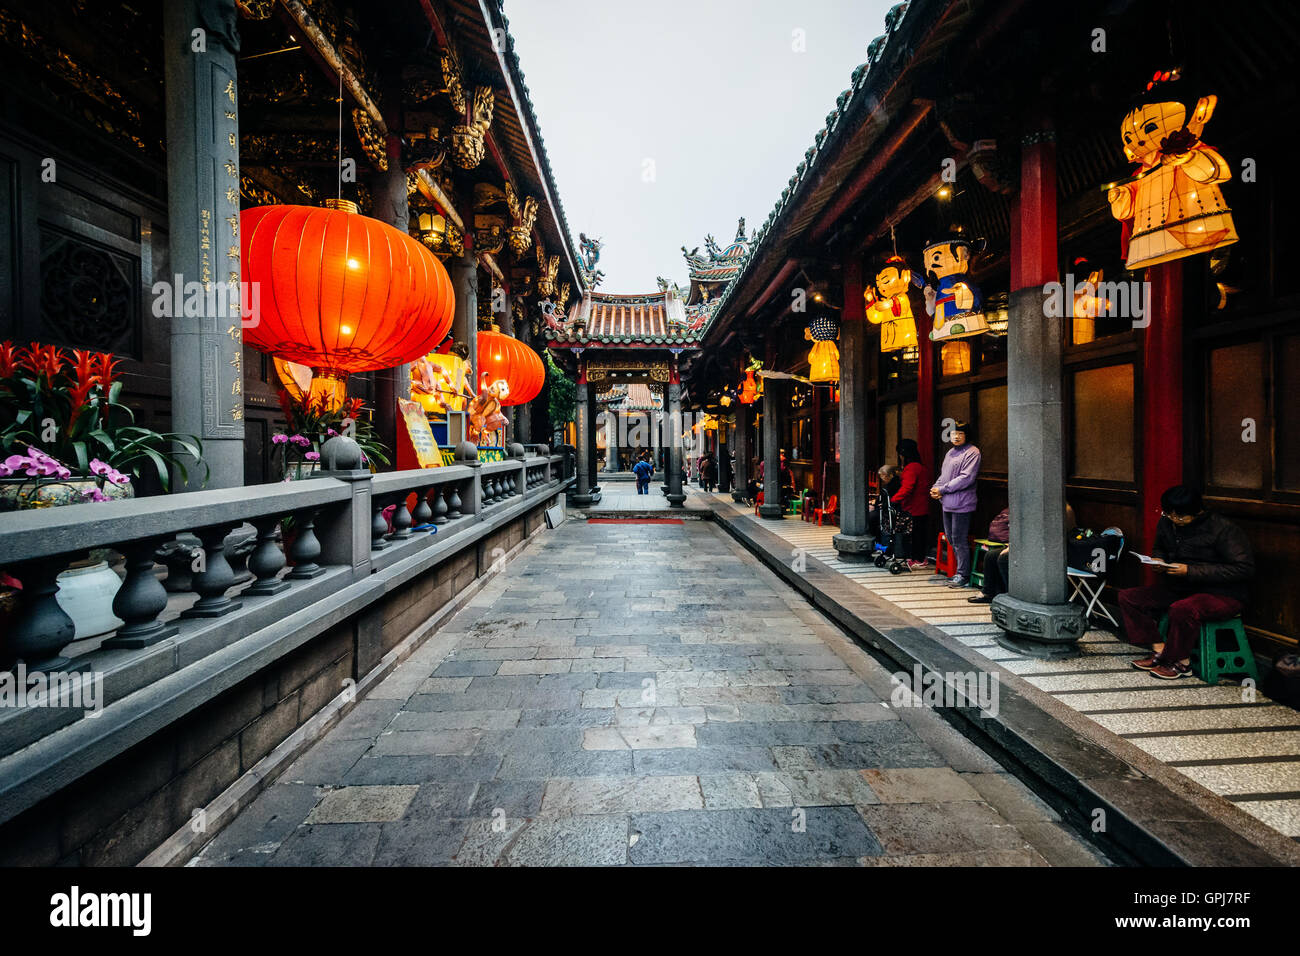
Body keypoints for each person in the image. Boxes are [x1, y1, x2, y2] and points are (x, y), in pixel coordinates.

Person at [1119, 485, 1254, 680]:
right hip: (1180, 586)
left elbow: (1244, 568)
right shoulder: (1167, 523)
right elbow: (1160, 548)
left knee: (1183, 608)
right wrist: (1158, 561)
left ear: (1198, 511)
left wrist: (1190, 570)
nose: (1175, 520)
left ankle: (1181, 663)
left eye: (1180, 517)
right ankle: (1161, 650)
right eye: (1170, 514)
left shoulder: (1222, 529)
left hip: (1223, 593)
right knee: (1129, 597)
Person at [930, 421, 981, 588]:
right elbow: (944, 475)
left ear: (967, 435)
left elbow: (966, 478)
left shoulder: (973, 452)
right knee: (951, 538)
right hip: (947, 502)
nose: (956, 436)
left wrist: (942, 489)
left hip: (962, 503)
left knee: (959, 538)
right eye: (953, 433)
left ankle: (963, 574)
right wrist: (935, 488)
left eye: (960, 433)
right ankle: (960, 572)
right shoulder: (950, 452)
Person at [893, 438, 932, 568]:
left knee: (915, 534)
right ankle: (920, 558)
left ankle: (918, 559)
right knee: (920, 533)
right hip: (922, 506)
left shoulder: (911, 468)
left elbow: (907, 488)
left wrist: (894, 500)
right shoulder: (920, 466)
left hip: (914, 507)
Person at [869, 464, 901, 539]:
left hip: (888, 510)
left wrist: (879, 505)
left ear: (887, 475)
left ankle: (875, 539)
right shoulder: (894, 482)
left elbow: (889, 499)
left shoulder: (892, 485)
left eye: (882, 476)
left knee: (870, 517)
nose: (881, 478)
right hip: (886, 507)